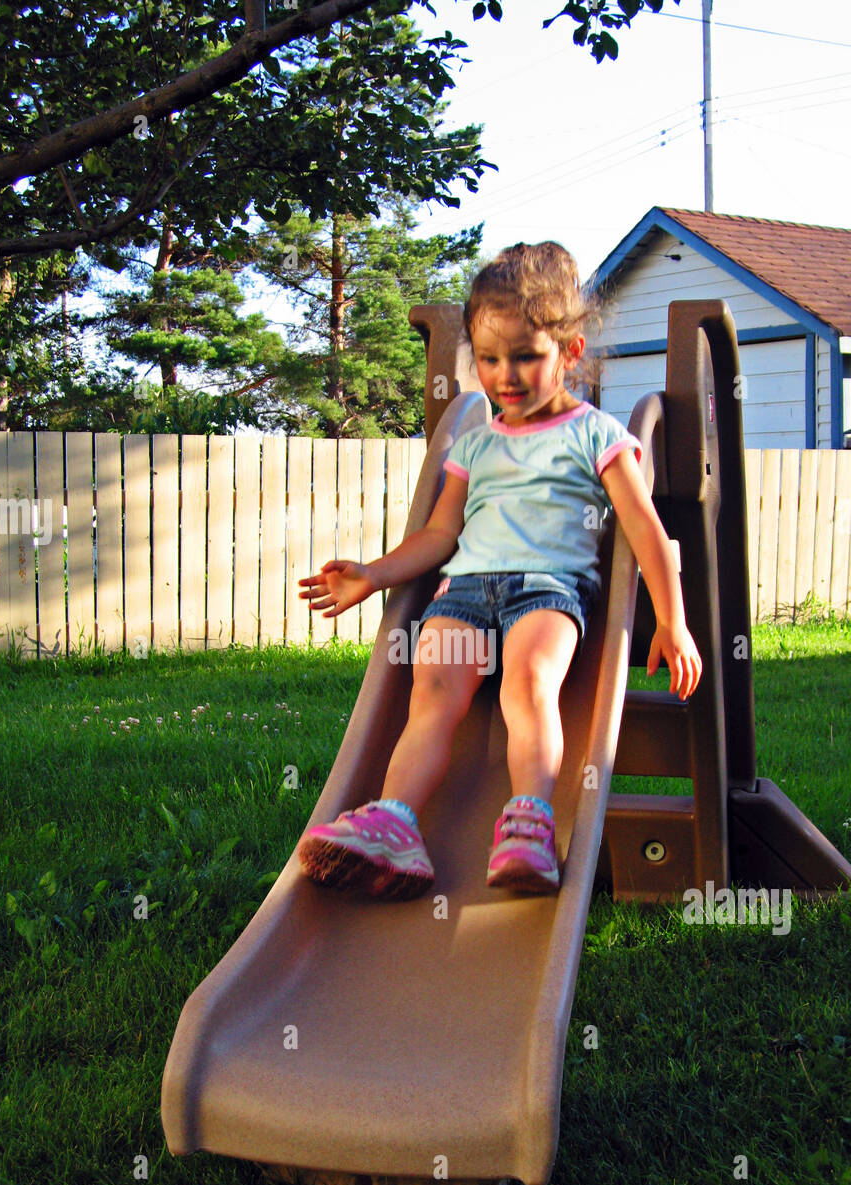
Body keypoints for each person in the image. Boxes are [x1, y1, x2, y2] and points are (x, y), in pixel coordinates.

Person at [296, 242, 702, 900]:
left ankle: (530, 823)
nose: (504, 375)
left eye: (525, 357)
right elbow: (439, 534)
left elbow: (645, 531)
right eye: (488, 358)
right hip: (464, 594)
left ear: (570, 352)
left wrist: (673, 623)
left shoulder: (595, 434)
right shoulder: (476, 444)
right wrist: (372, 574)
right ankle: (396, 825)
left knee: (528, 686)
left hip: (546, 591)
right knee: (430, 699)